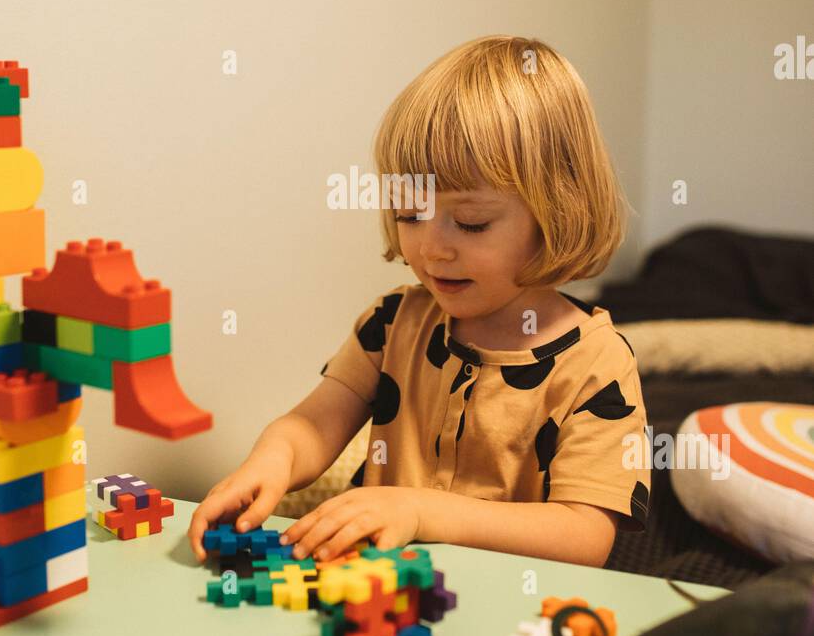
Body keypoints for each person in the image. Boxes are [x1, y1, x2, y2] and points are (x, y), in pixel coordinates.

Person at [189, 35, 650, 568]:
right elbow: (313, 425)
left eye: (472, 223)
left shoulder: (597, 363)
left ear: (557, 213)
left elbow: (585, 534)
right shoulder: (393, 324)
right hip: (378, 600)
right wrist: (270, 462)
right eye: (409, 214)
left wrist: (419, 511)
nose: (431, 248)